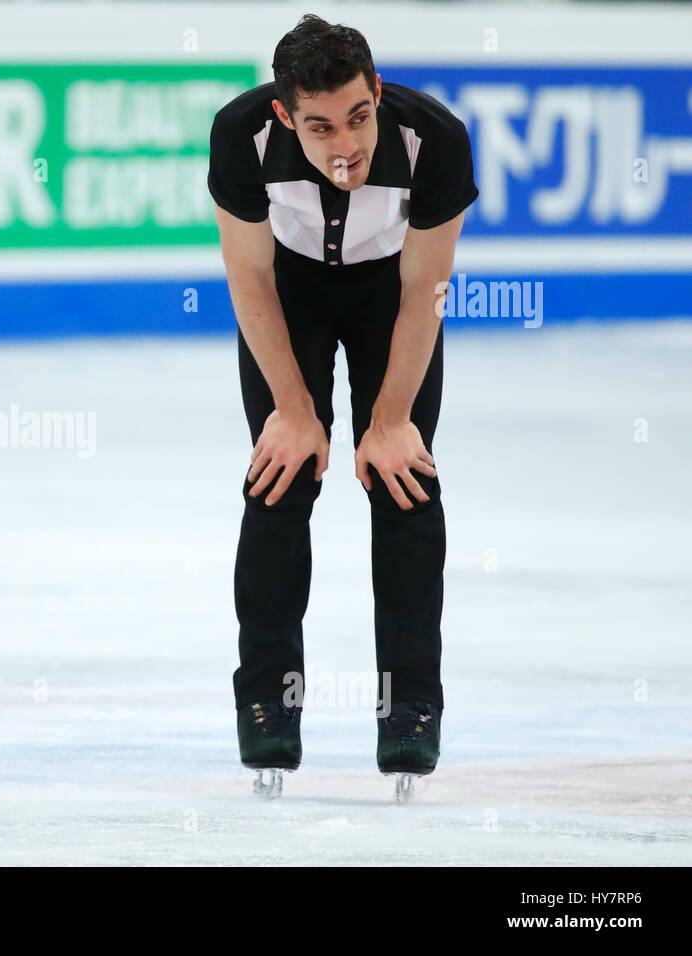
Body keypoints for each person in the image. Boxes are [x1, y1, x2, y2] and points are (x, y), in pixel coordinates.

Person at [207, 14, 478, 784]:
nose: (347, 144)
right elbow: (249, 278)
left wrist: (389, 421)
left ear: (379, 92)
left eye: (360, 116)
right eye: (320, 126)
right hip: (286, 290)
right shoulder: (240, 135)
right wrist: (294, 413)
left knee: (405, 481)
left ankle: (410, 709)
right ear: (284, 116)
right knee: (280, 474)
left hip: (392, 293)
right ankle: (266, 705)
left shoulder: (437, 140)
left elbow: (427, 284)